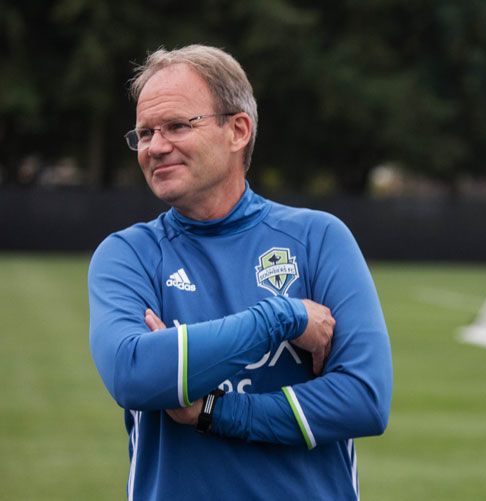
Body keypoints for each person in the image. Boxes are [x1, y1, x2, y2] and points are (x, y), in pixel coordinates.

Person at [88, 45, 392, 500]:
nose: (155, 146)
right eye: (144, 133)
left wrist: (214, 410)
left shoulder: (317, 238)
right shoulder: (128, 254)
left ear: (238, 130)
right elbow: (133, 374)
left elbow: (364, 400)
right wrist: (282, 318)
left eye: (176, 126)